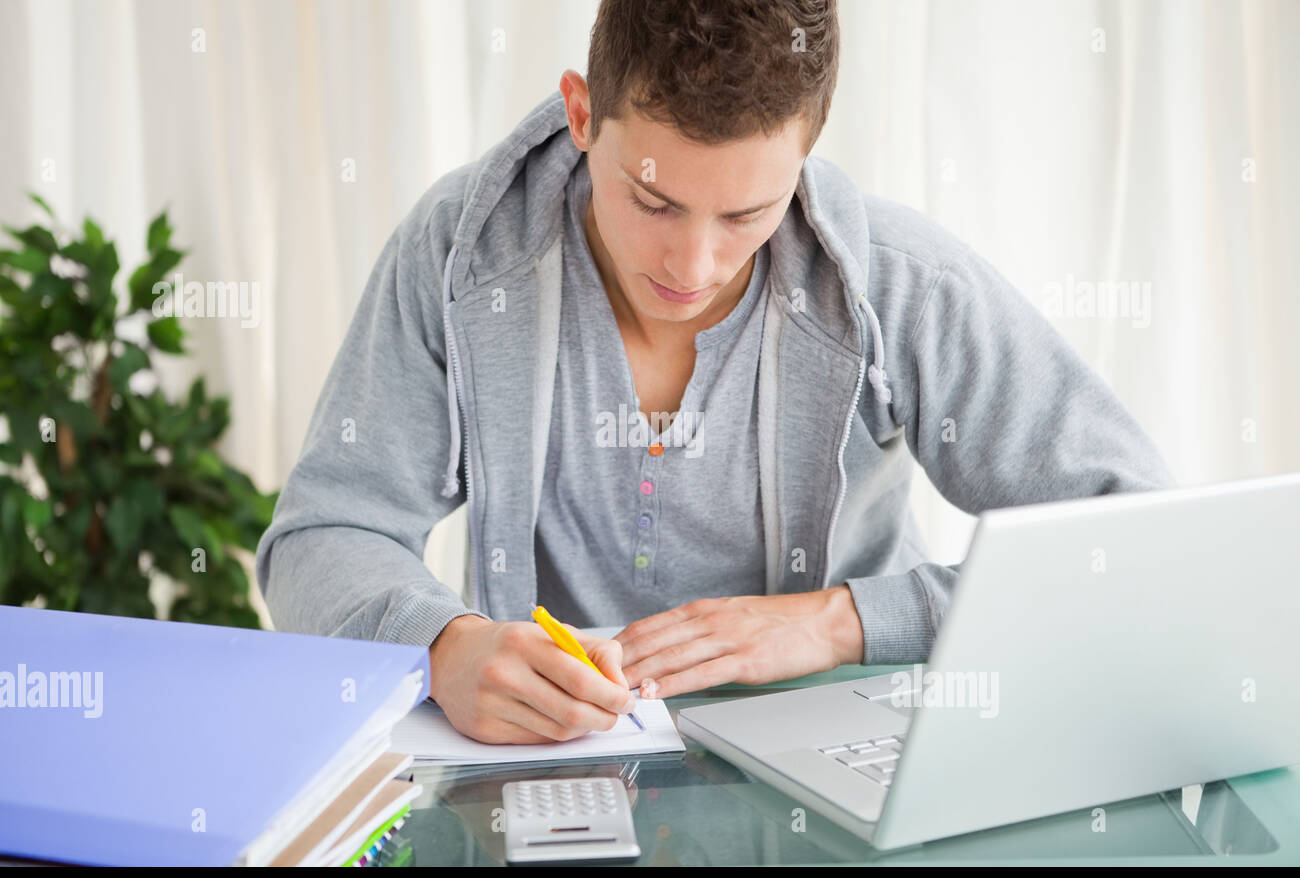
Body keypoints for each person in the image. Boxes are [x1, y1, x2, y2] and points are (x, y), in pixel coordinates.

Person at [255, 0, 1173, 744]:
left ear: (805, 154)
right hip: (562, 778)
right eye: (653, 199)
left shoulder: (901, 281)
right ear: (580, 113)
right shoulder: (459, 254)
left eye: (747, 213)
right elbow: (321, 537)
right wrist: (441, 644)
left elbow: (1134, 540)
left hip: (855, 757)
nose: (692, 268)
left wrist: (837, 623)